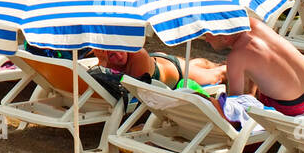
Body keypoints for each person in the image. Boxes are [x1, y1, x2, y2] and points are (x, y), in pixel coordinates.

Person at [204, 13, 304, 116]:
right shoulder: (254, 23)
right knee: (264, 72)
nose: (206, 39)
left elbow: (235, 102)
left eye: (208, 34)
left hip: (291, 105)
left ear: (225, 38)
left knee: (259, 98)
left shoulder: (235, 58)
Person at [92, 47, 225, 89]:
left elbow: (139, 92)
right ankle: (206, 63)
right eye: (112, 55)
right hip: (158, 62)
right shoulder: (102, 59)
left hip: (173, 71)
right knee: (195, 65)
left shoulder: (137, 53)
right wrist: (104, 62)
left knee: (217, 75)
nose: (119, 56)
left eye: (121, 50)